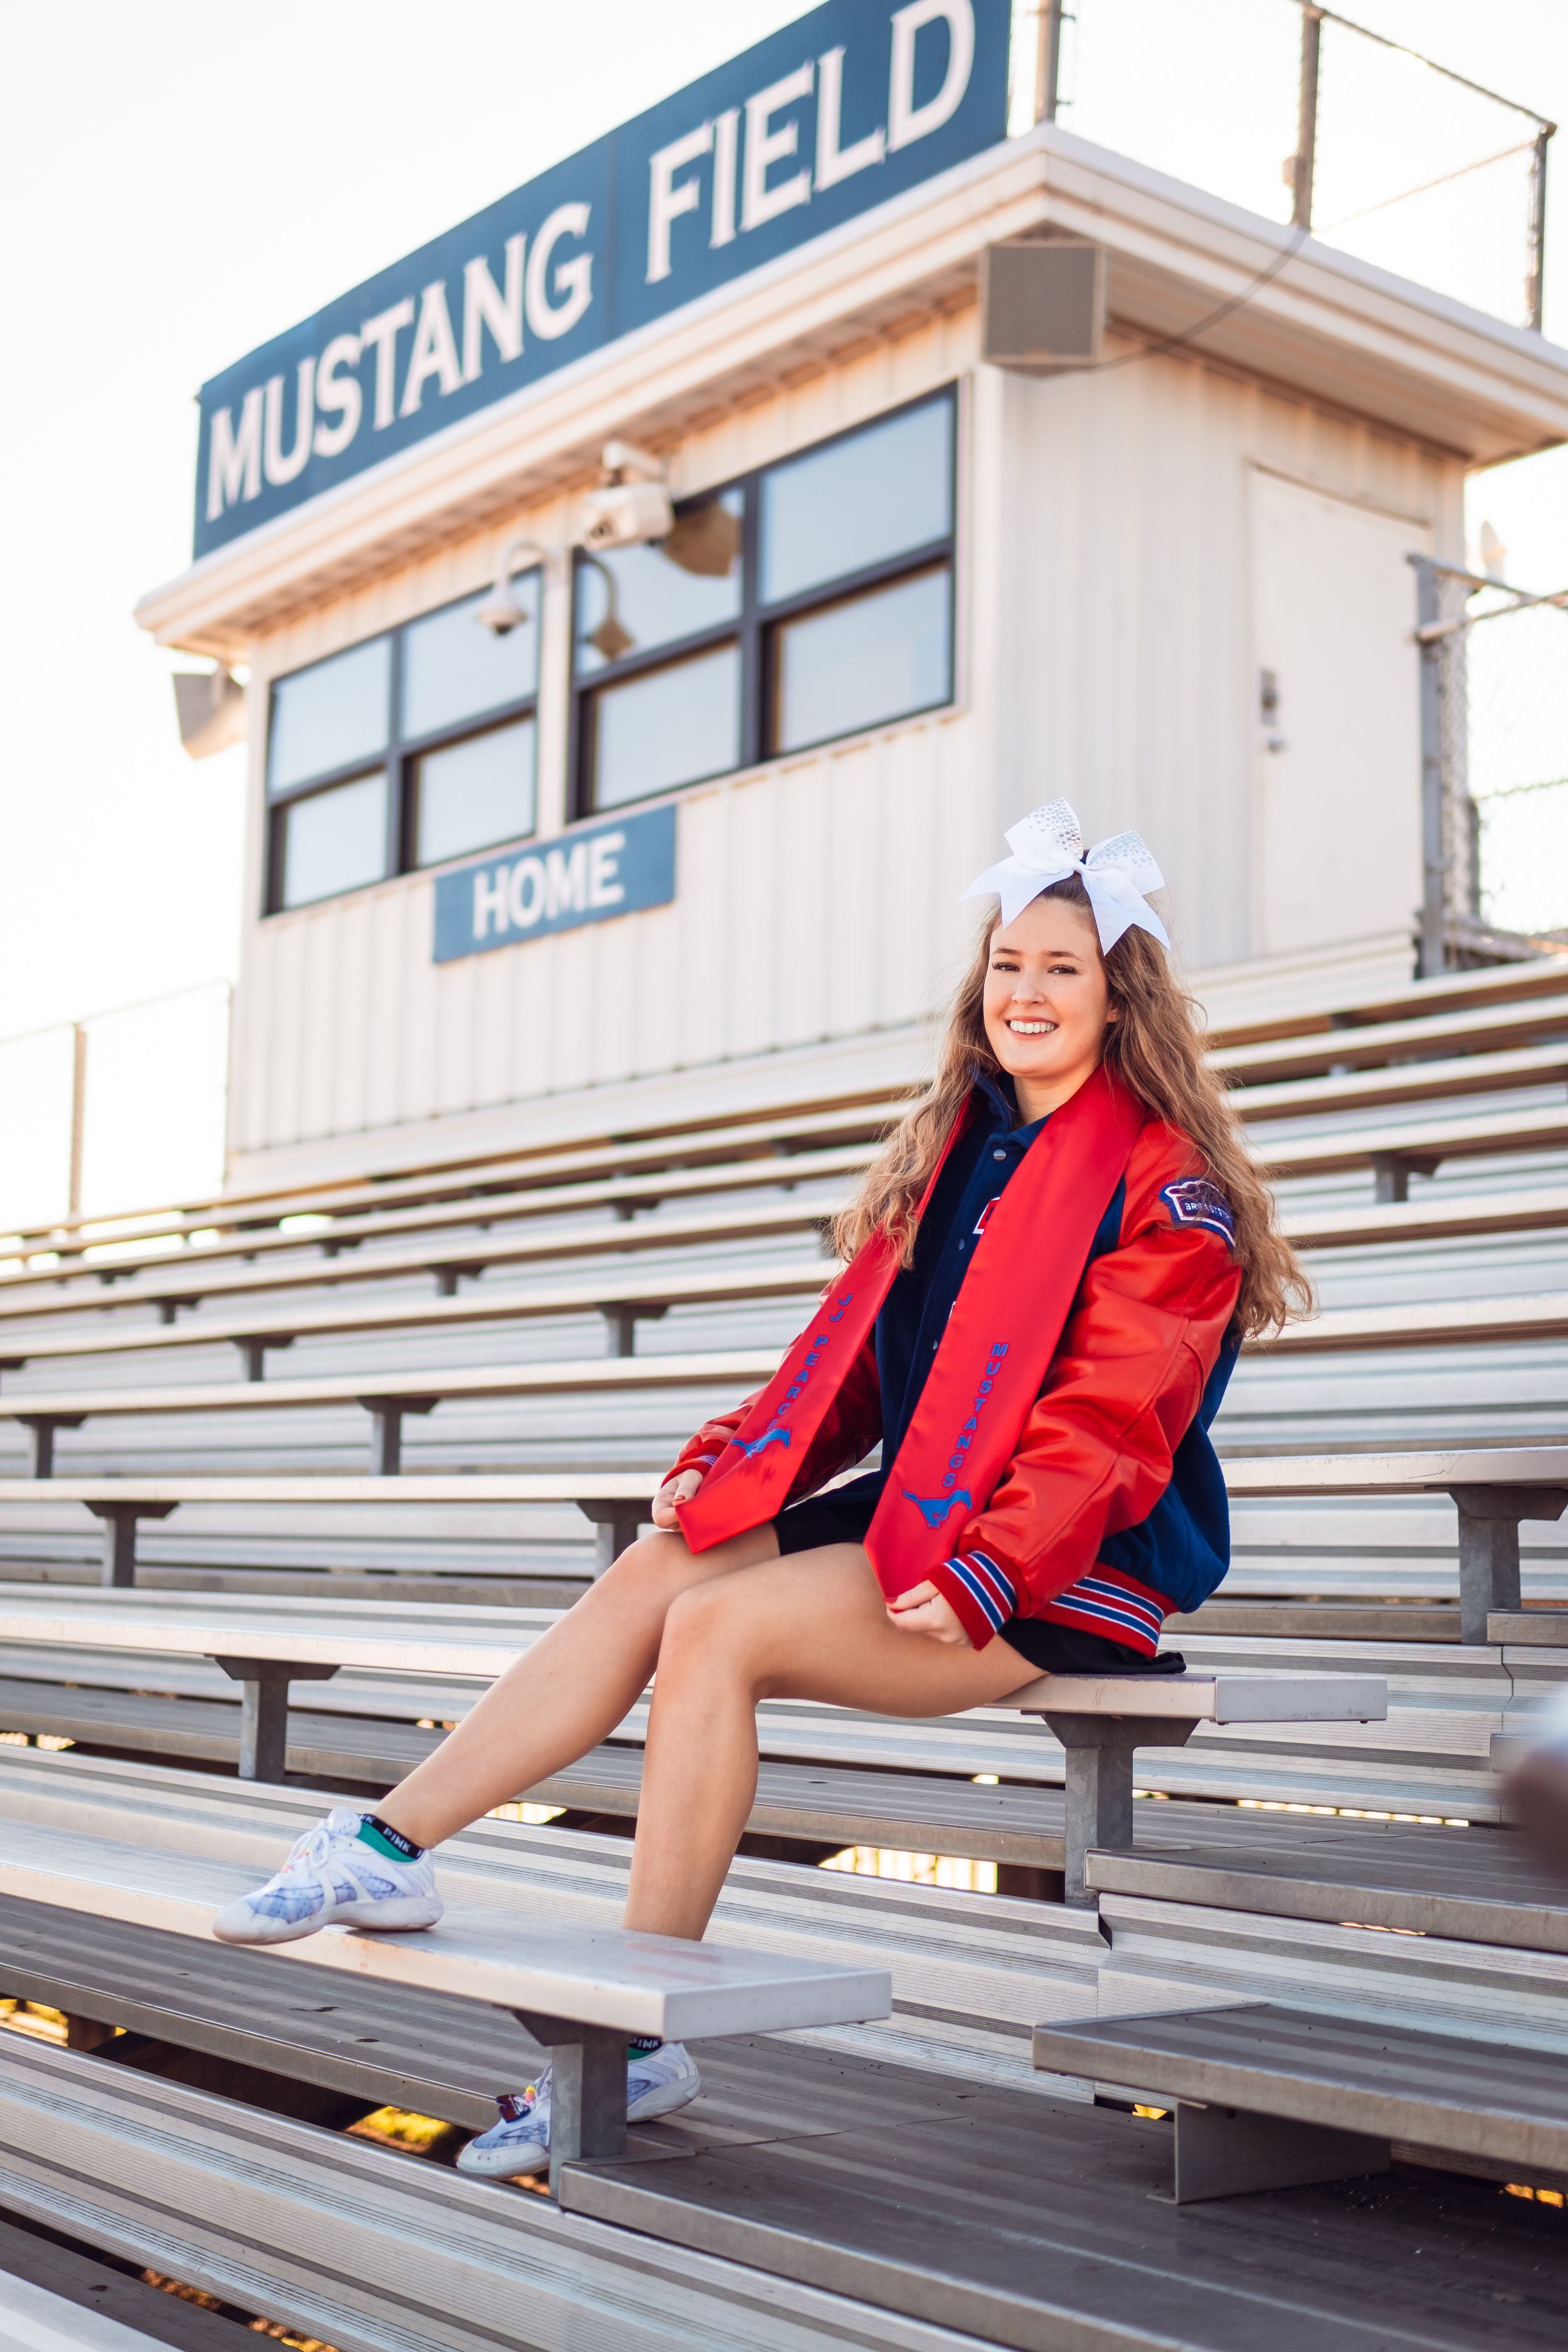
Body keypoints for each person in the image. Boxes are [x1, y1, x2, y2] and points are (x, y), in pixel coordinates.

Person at [211, 798, 1308, 2178]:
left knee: (712, 1634)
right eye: (1006, 965)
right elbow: (849, 1367)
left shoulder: (1164, 1187)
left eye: (1061, 970)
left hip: (1067, 1557)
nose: (1023, 993)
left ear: (1118, 997)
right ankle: (385, 1843)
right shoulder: (956, 1145)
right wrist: (726, 1467)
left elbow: (1111, 1423)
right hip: (928, 1497)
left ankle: (640, 2031)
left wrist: (990, 1563)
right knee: (664, 1570)